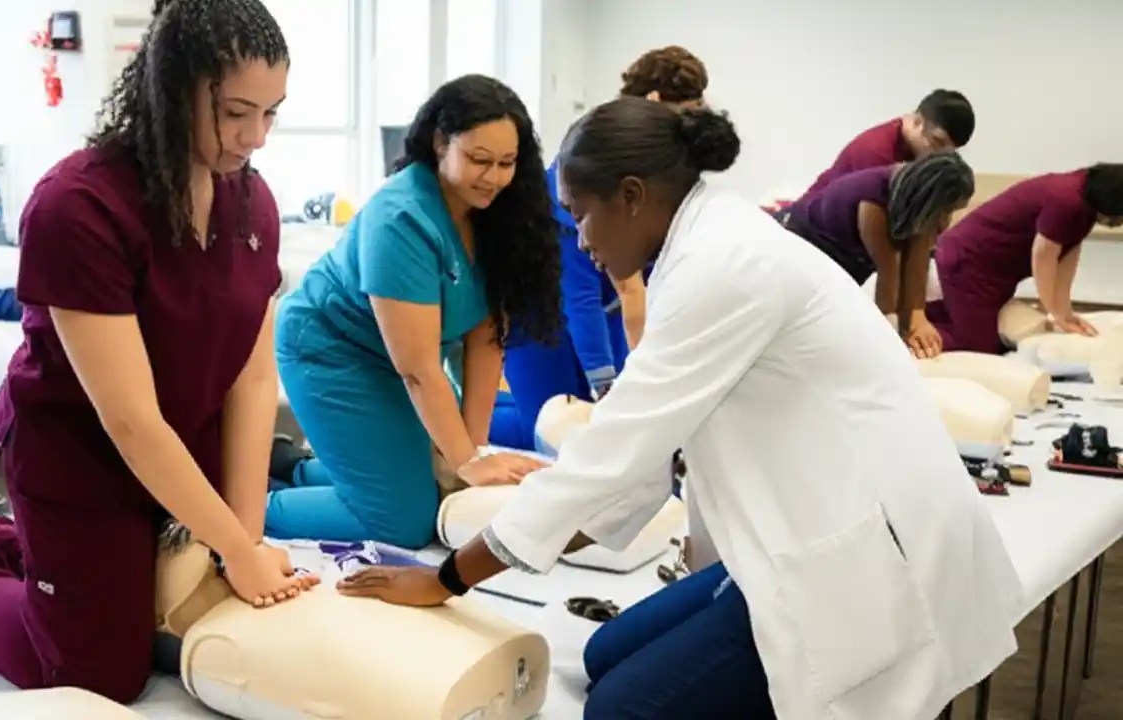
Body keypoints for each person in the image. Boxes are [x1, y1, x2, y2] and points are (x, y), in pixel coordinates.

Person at [337, 97, 1022, 720]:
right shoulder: (704, 243)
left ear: (631, 197)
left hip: (874, 558)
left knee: (620, 710)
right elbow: (633, 468)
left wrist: (450, 577)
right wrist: (537, 533)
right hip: (825, 528)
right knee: (605, 658)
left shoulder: (721, 266)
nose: (579, 237)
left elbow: (609, 460)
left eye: (580, 213)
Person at [0, 0, 319, 704]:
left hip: (179, 447)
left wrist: (239, 542)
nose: (255, 138)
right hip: (80, 455)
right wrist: (238, 551)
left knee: (198, 611)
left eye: (272, 113)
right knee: (93, 674)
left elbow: (251, 382)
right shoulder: (79, 205)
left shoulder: (253, 203)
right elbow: (127, 419)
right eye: (234, 112)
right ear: (171, 87)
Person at [268, 74, 560, 549]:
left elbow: (486, 341)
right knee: (402, 521)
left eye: (507, 163)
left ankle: (290, 466)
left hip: (399, 360)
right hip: (332, 350)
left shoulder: (498, 214)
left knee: (435, 481)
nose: (494, 177)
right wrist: (466, 461)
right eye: (479, 160)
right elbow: (420, 369)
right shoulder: (400, 217)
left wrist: (471, 455)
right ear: (440, 143)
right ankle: (237, 509)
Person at [491, 46, 708, 451]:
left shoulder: (651, 165)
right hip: (542, 314)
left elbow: (637, 279)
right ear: (655, 103)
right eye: (684, 115)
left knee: (596, 429)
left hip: (600, 308)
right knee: (548, 434)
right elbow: (581, 293)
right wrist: (606, 384)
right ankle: (440, 421)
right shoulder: (595, 154)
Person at [781, 153, 975, 358]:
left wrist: (917, 317)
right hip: (807, 244)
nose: (946, 222)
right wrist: (892, 338)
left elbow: (918, 260)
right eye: (945, 211)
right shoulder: (874, 202)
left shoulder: (918, 201)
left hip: (850, 257)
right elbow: (889, 274)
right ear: (927, 200)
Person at [928, 164, 1123, 353]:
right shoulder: (1067, 201)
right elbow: (1043, 257)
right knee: (977, 346)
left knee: (987, 333)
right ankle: (911, 336)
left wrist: (1065, 313)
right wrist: (1053, 313)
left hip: (991, 270)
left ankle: (922, 318)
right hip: (970, 262)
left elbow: (1067, 255)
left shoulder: (1084, 203)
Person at [799, 89, 974, 202]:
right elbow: (871, 222)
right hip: (816, 231)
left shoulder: (918, 153)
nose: (940, 156)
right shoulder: (877, 152)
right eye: (937, 142)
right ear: (917, 122)